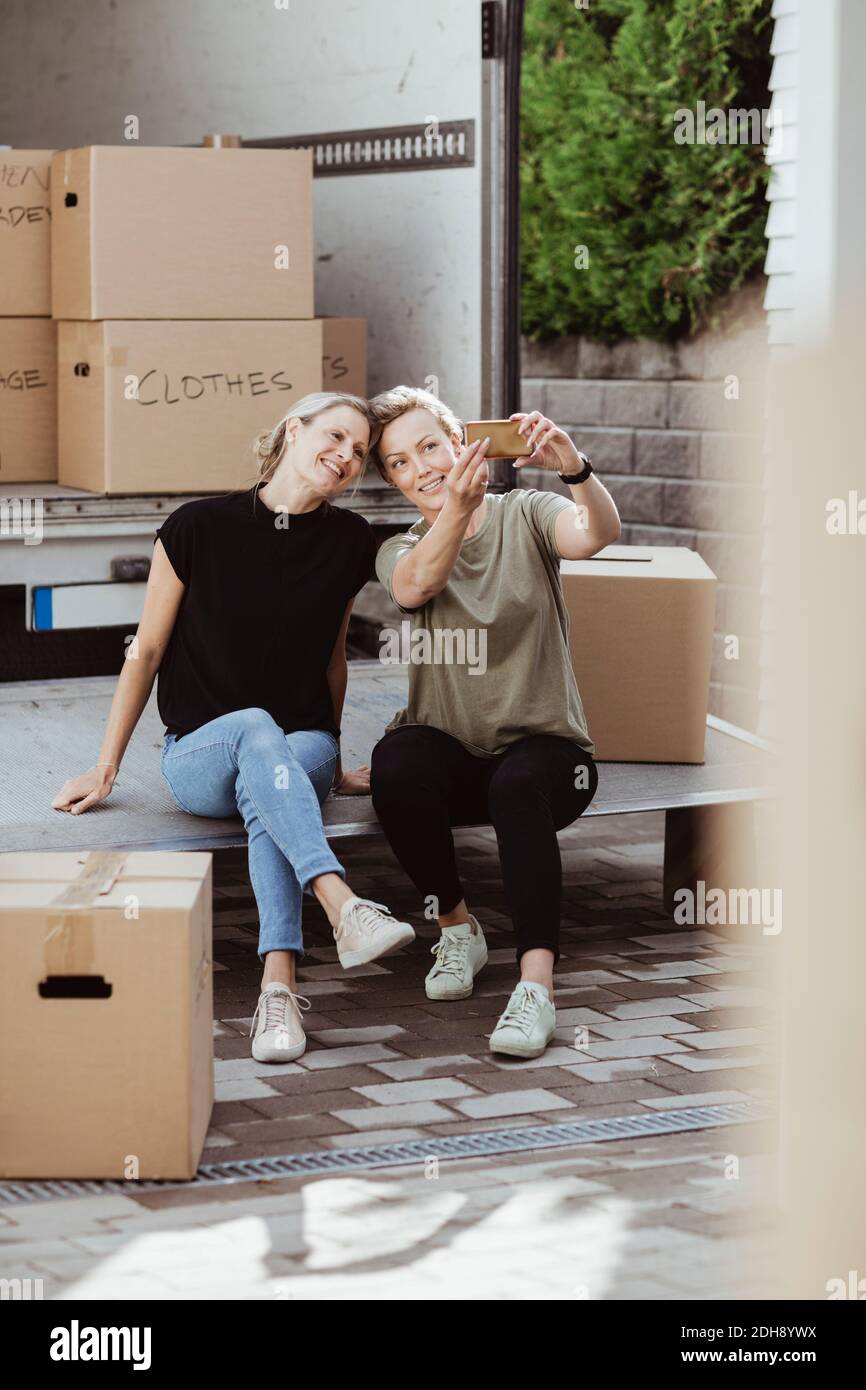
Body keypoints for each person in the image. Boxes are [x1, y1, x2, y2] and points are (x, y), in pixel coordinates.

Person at [51, 392, 415, 1063]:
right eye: (335, 437)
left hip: (300, 744)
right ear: (293, 430)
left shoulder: (348, 541)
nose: (344, 457)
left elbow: (334, 659)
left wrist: (331, 757)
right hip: (200, 754)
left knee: (267, 786)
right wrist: (105, 765)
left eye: (359, 452)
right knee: (252, 731)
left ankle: (277, 992)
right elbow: (148, 652)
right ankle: (340, 901)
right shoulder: (197, 527)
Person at [368, 387, 621, 1059]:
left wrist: (573, 465)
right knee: (397, 762)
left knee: (518, 784)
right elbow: (416, 587)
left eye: (429, 446)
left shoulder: (529, 514)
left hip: (550, 761)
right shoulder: (399, 547)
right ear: (391, 481)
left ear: (462, 444)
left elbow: (596, 535)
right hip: (459, 758)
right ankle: (457, 928)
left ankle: (535, 985)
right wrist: (455, 505)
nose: (420, 468)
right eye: (398, 463)